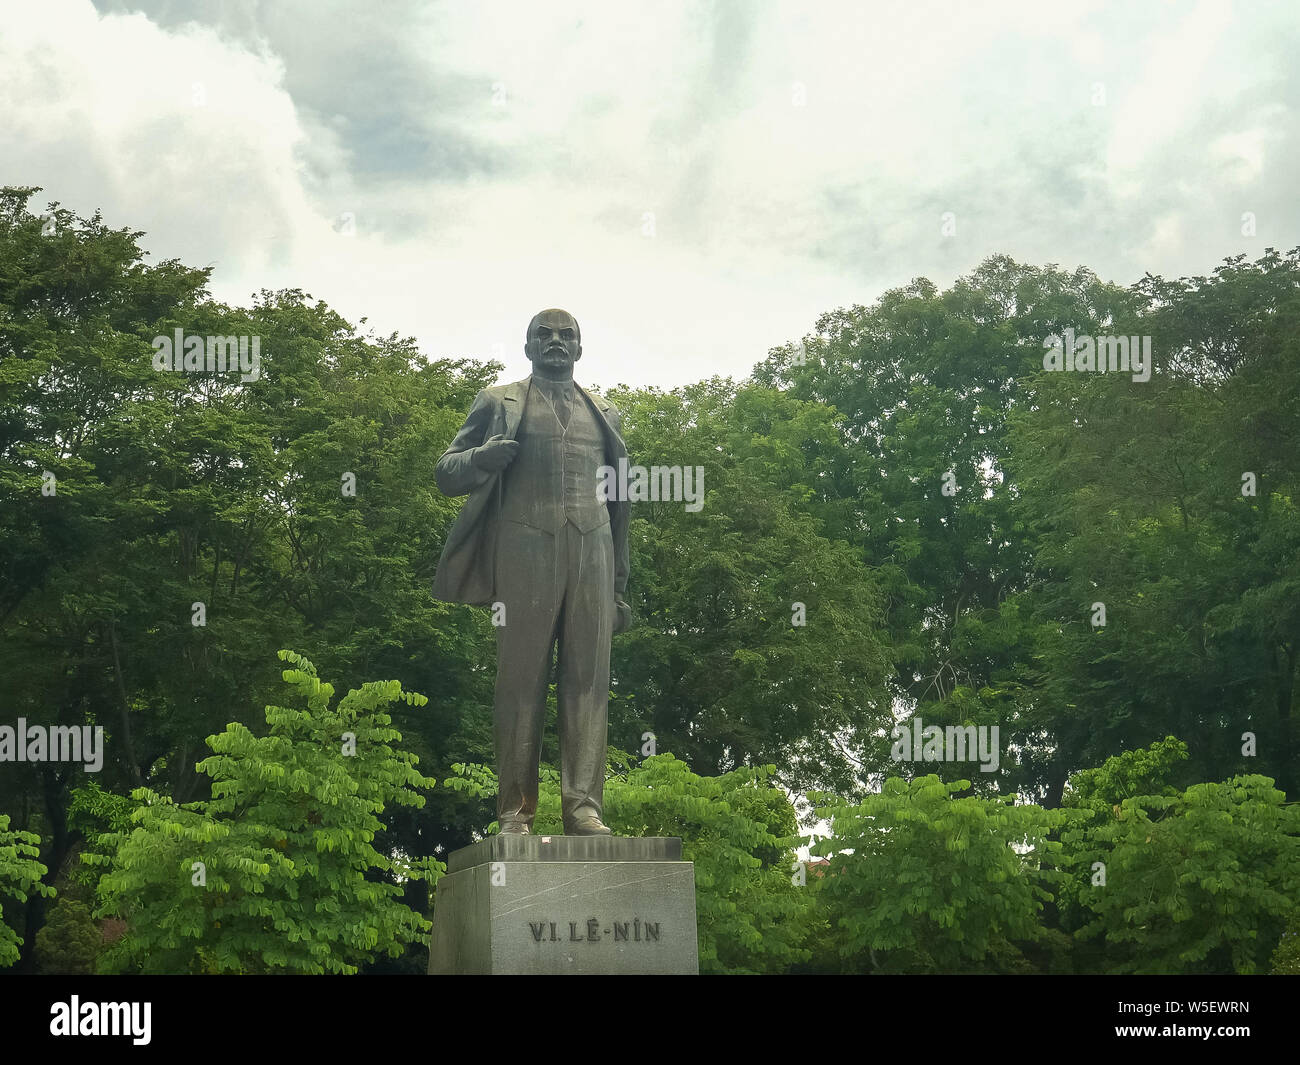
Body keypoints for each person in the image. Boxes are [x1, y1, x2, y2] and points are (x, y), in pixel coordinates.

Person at [432, 308, 631, 835]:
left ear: (581, 348)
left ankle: (583, 806)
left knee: (589, 681)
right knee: (520, 680)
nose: (556, 342)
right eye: (544, 335)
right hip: (524, 549)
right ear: (527, 348)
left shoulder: (605, 412)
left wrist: (618, 587)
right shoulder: (499, 401)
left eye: (567, 335)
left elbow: (620, 506)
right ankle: (514, 812)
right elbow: (446, 473)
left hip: (595, 549)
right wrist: (483, 457)